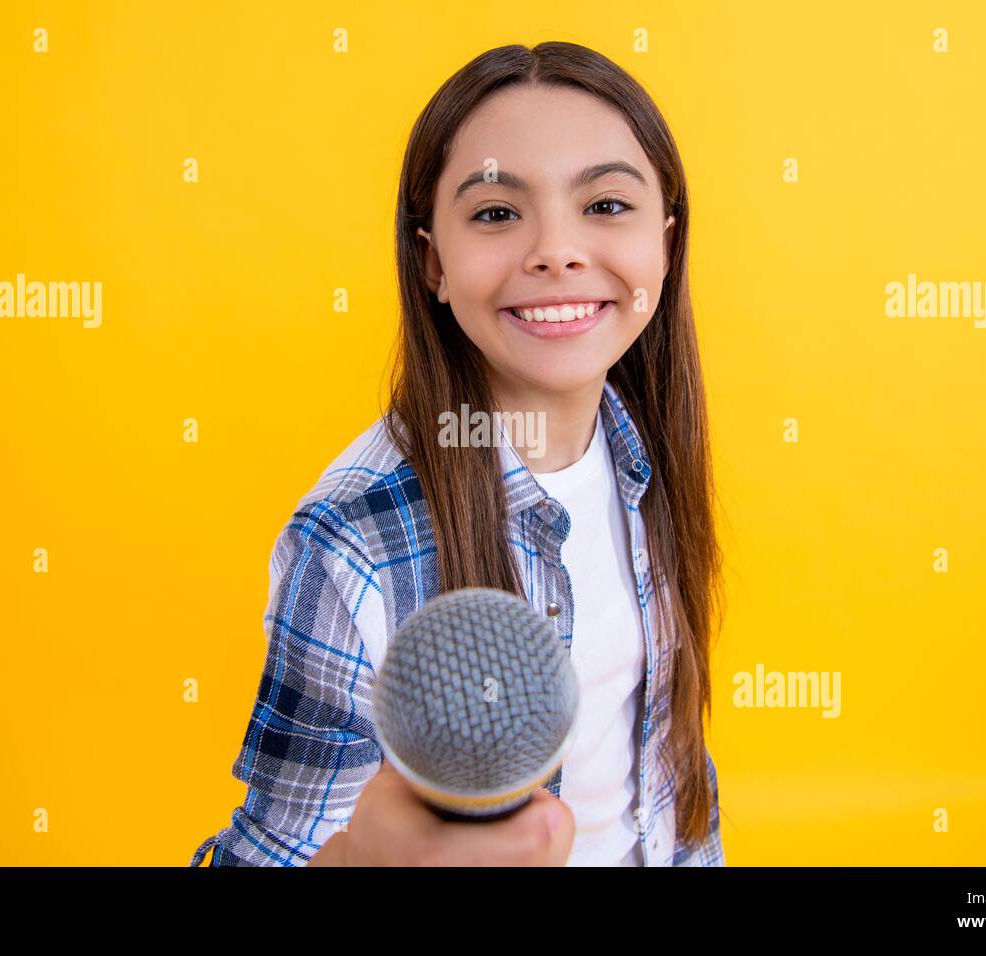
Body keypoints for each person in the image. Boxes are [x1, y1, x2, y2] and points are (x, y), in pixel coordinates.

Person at [190, 40, 725, 867]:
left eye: (607, 206)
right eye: (497, 213)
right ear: (433, 259)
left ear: (666, 239)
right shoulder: (353, 543)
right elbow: (272, 854)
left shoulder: (642, 448)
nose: (558, 251)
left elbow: (664, 778)